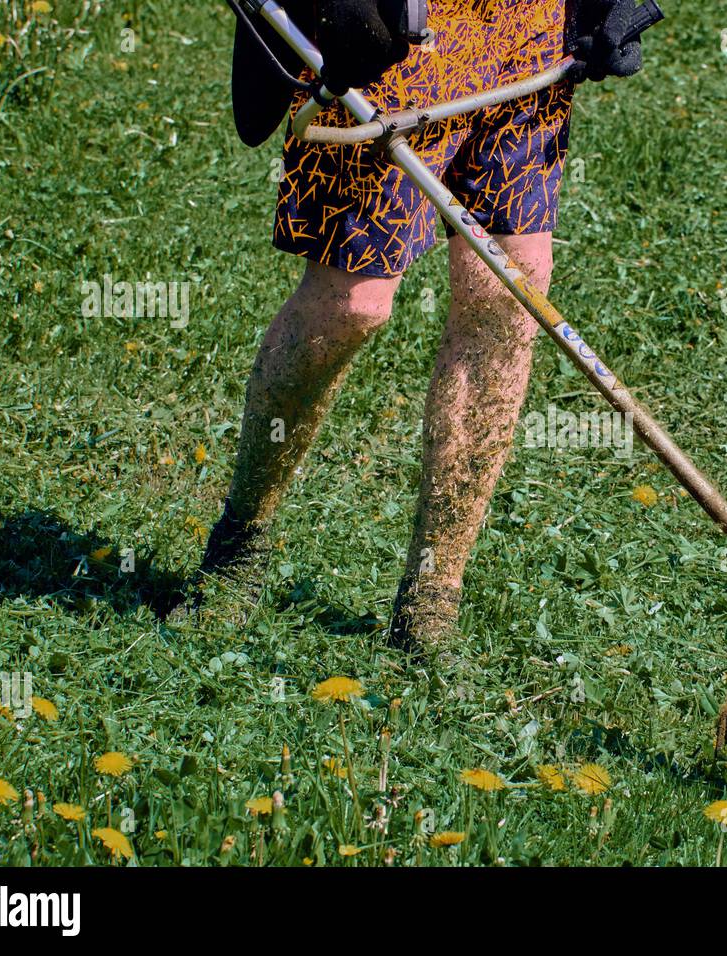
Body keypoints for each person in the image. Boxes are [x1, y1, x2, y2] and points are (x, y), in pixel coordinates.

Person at [165, 0, 645, 662]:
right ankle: (240, 538)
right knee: (352, 303)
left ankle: (432, 597)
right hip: (401, 26)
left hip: (528, 30)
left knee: (508, 290)